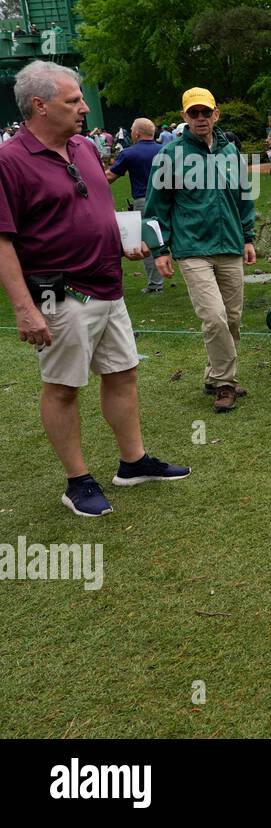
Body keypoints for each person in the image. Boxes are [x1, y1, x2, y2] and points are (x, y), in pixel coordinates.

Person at [0, 61, 189, 517]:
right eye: (74, 101)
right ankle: (77, 480)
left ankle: (133, 461)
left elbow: (90, 206)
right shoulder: (10, 161)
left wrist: (122, 242)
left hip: (109, 284)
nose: (85, 108)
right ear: (40, 106)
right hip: (58, 292)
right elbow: (3, 240)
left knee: (123, 373)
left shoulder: (83, 146)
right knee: (63, 386)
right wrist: (25, 308)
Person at [144, 87, 257, 413]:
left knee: (232, 318)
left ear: (216, 113)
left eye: (205, 112)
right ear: (184, 117)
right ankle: (225, 383)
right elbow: (155, 207)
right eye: (193, 113)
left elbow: (244, 197)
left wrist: (248, 237)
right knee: (213, 318)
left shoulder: (231, 153)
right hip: (193, 248)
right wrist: (160, 249)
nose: (200, 118)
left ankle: (213, 375)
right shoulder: (170, 155)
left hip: (231, 245)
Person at [105, 117, 165, 294]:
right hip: (165, 200)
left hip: (143, 200)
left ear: (137, 133)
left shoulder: (130, 153)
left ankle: (155, 284)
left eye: (132, 130)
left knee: (146, 242)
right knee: (165, 239)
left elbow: (110, 176)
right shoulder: (165, 150)